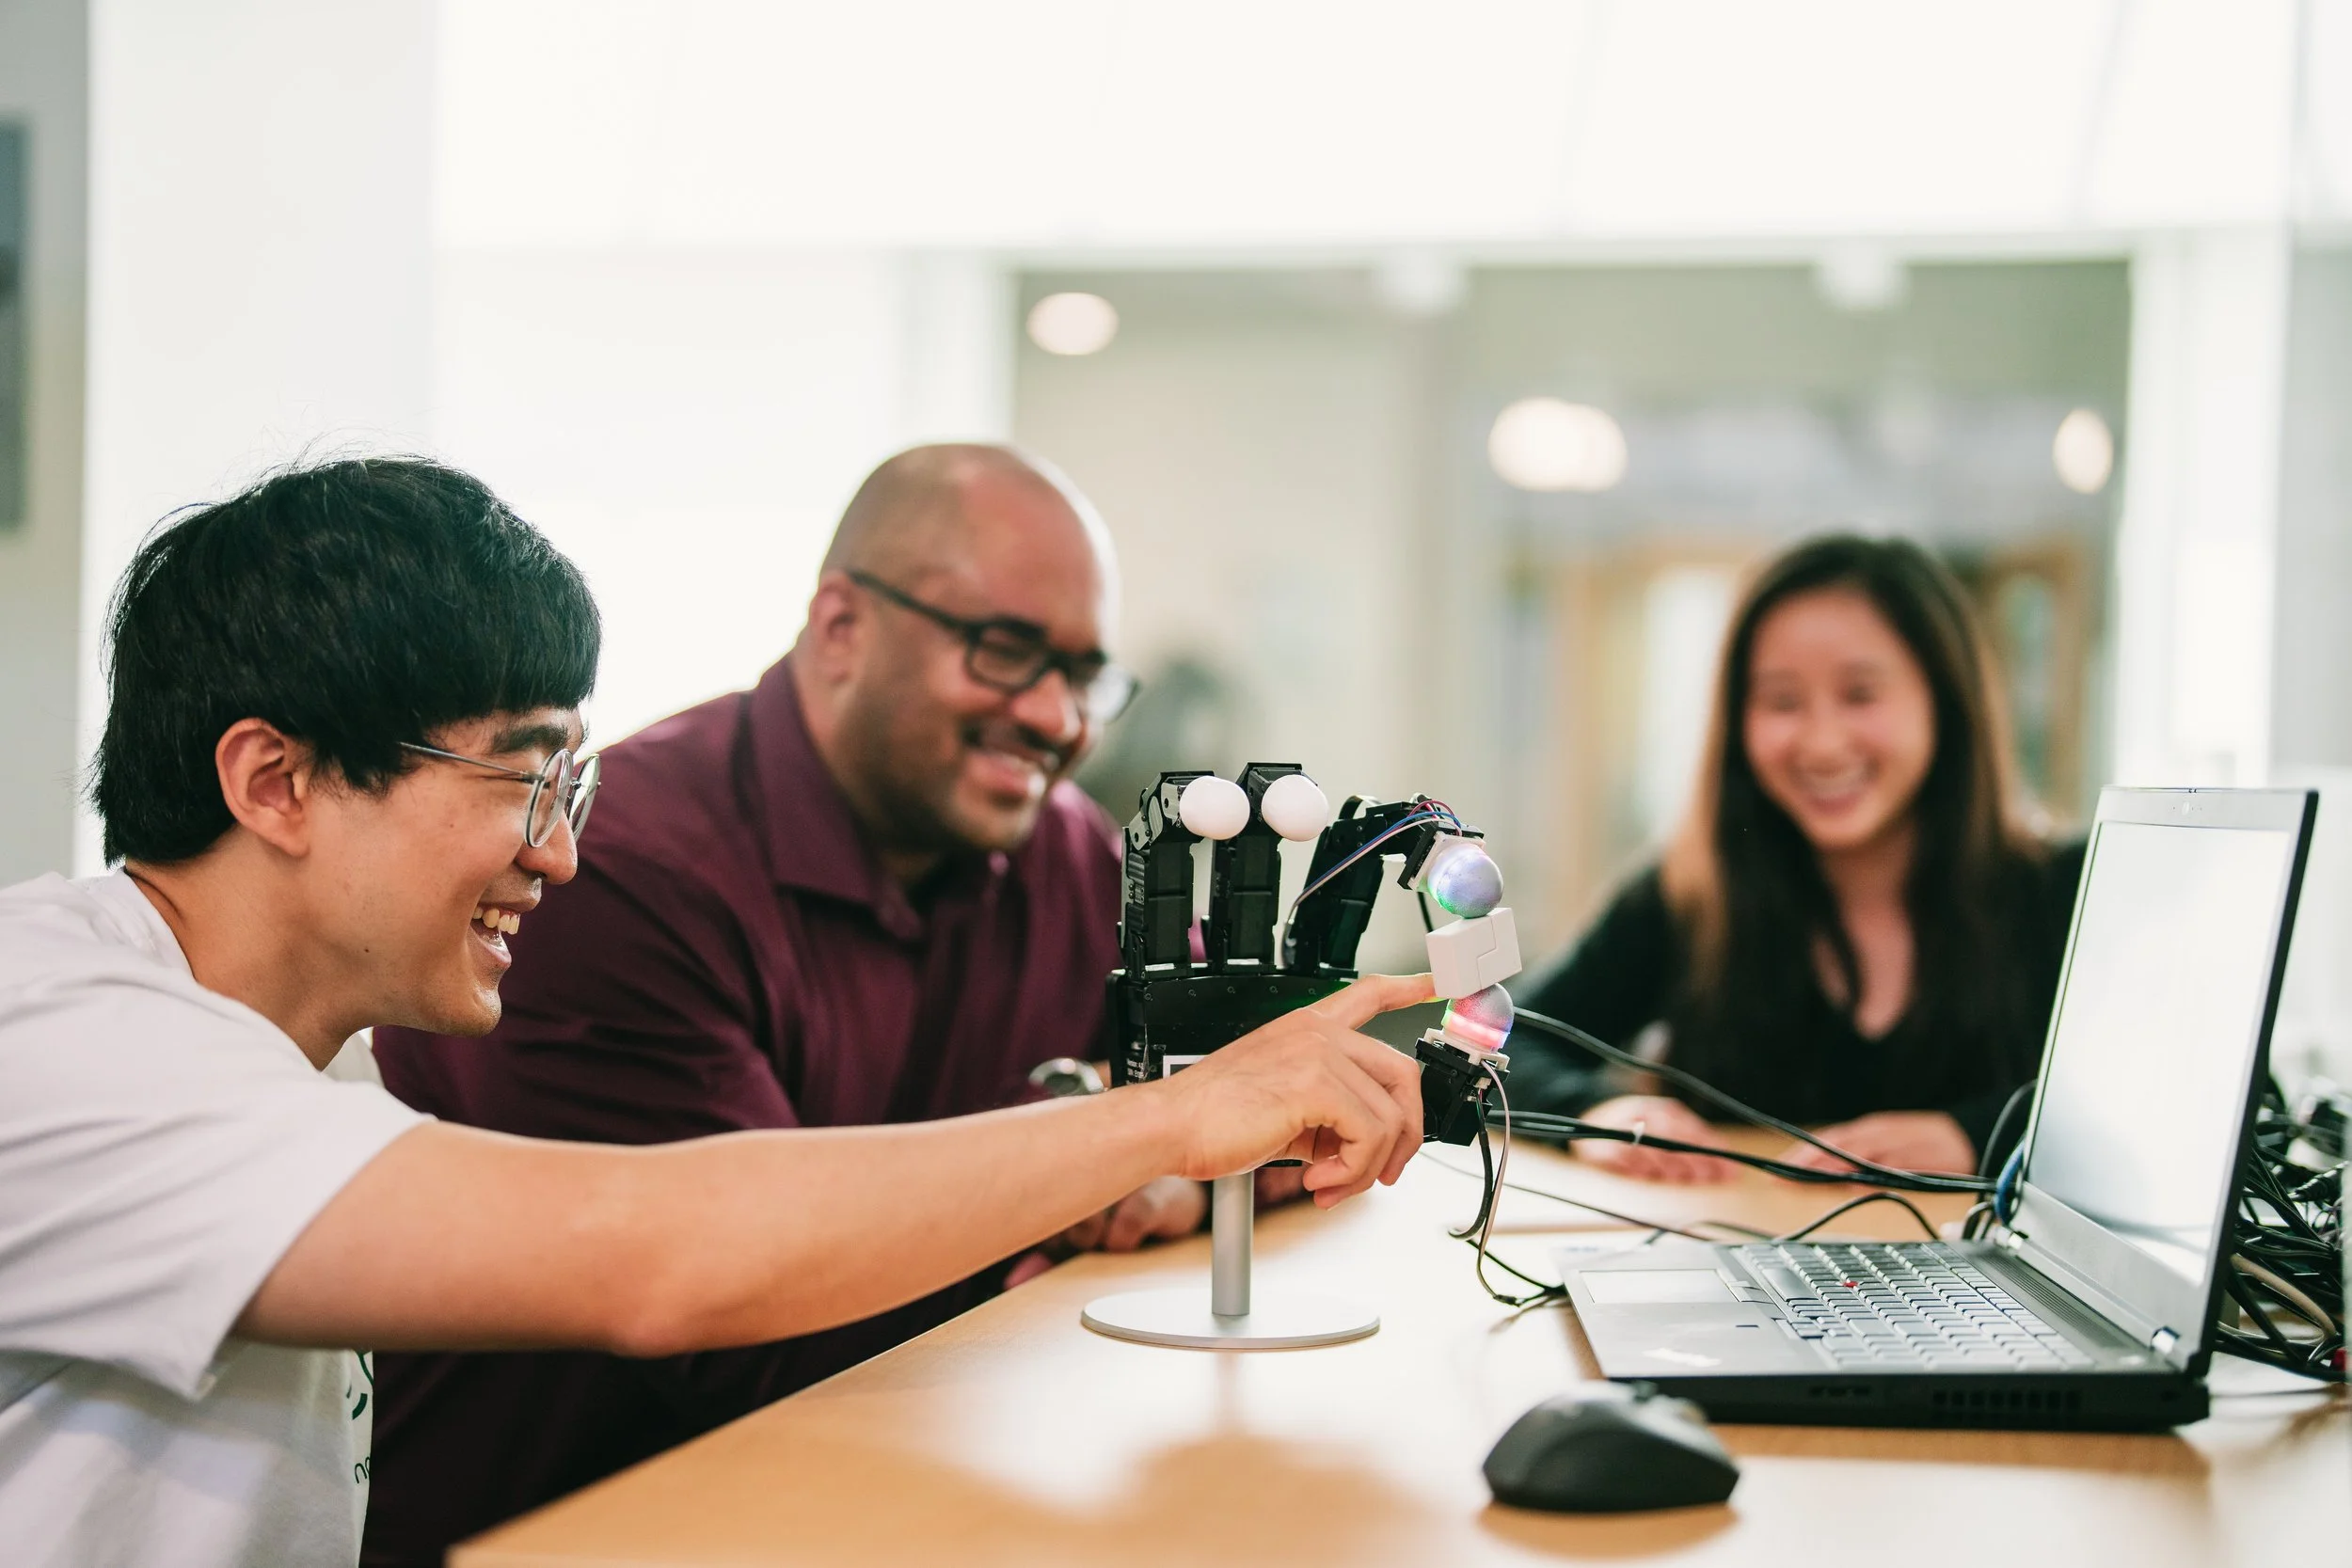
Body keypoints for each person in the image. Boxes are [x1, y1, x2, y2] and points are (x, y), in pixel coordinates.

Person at [0, 457, 1428, 1568]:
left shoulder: (320, 1060)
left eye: (574, 787)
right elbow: (660, 1259)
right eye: (523, 778)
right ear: (277, 781)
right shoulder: (67, 1044)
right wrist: (1164, 1118)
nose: (559, 850)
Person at [360, 443, 1239, 1563]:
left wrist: (1168, 1158)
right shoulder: (615, 871)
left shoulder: (1066, 857)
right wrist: (1098, 1159)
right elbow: (751, 1324)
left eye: (1084, 676)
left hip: (930, 1492)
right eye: (1007, 650)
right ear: (840, 627)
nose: (1057, 717)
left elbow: (1246, 1099)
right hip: (577, 1527)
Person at [1509, 534, 2083, 1183]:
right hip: (1732, 1271)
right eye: (1781, 701)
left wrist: (1977, 1133)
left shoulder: (2066, 890)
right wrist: (1596, 1110)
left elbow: (2158, 1092)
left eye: (1861, 694)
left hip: (1983, 1281)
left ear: (1944, 703)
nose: (1822, 743)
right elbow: (1499, 1039)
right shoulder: (1689, 894)